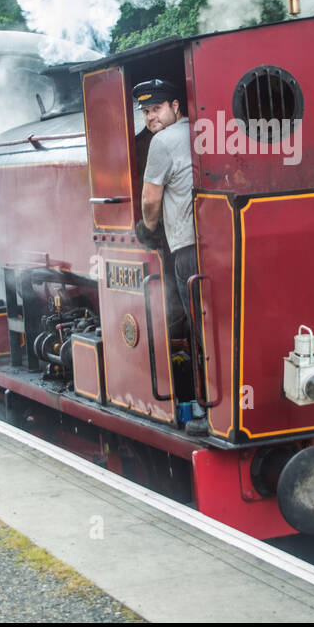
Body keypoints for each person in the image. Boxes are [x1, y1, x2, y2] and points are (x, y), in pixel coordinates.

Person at [131, 78, 205, 433]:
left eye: (157, 108)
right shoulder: (205, 129)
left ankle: (203, 409)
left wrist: (147, 228)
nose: (151, 118)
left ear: (176, 106)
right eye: (146, 112)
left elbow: (150, 200)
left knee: (196, 328)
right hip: (217, 244)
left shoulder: (161, 142)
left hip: (186, 249)